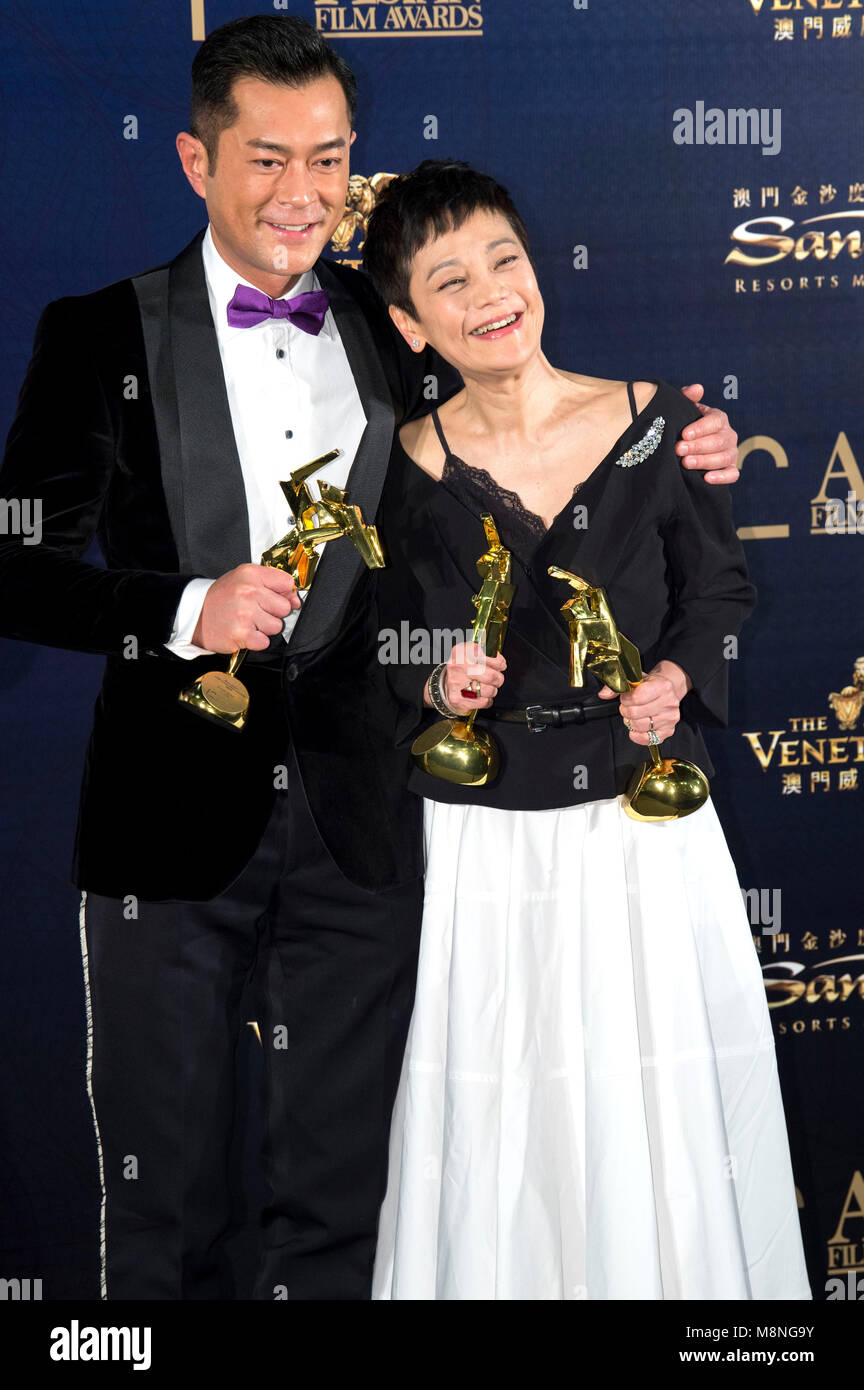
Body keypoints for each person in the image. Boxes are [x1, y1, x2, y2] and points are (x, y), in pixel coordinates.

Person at [0, 18, 740, 1301]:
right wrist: (181, 610)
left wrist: (691, 442)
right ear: (194, 161)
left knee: (345, 1197)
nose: (303, 193)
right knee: (163, 1194)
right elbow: (17, 564)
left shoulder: (399, 318)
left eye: (330, 159)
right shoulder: (94, 335)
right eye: (266, 158)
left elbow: (535, 418)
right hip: (165, 823)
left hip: (375, 815)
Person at [363, 159, 811, 1300]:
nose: (491, 294)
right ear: (413, 325)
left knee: (649, 1096)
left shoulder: (662, 424)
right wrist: (435, 685)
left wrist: (673, 677)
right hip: (488, 834)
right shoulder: (401, 472)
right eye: (449, 281)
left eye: (504, 259)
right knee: (507, 1107)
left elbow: (720, 597)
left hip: (639, 819)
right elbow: (379, 642)